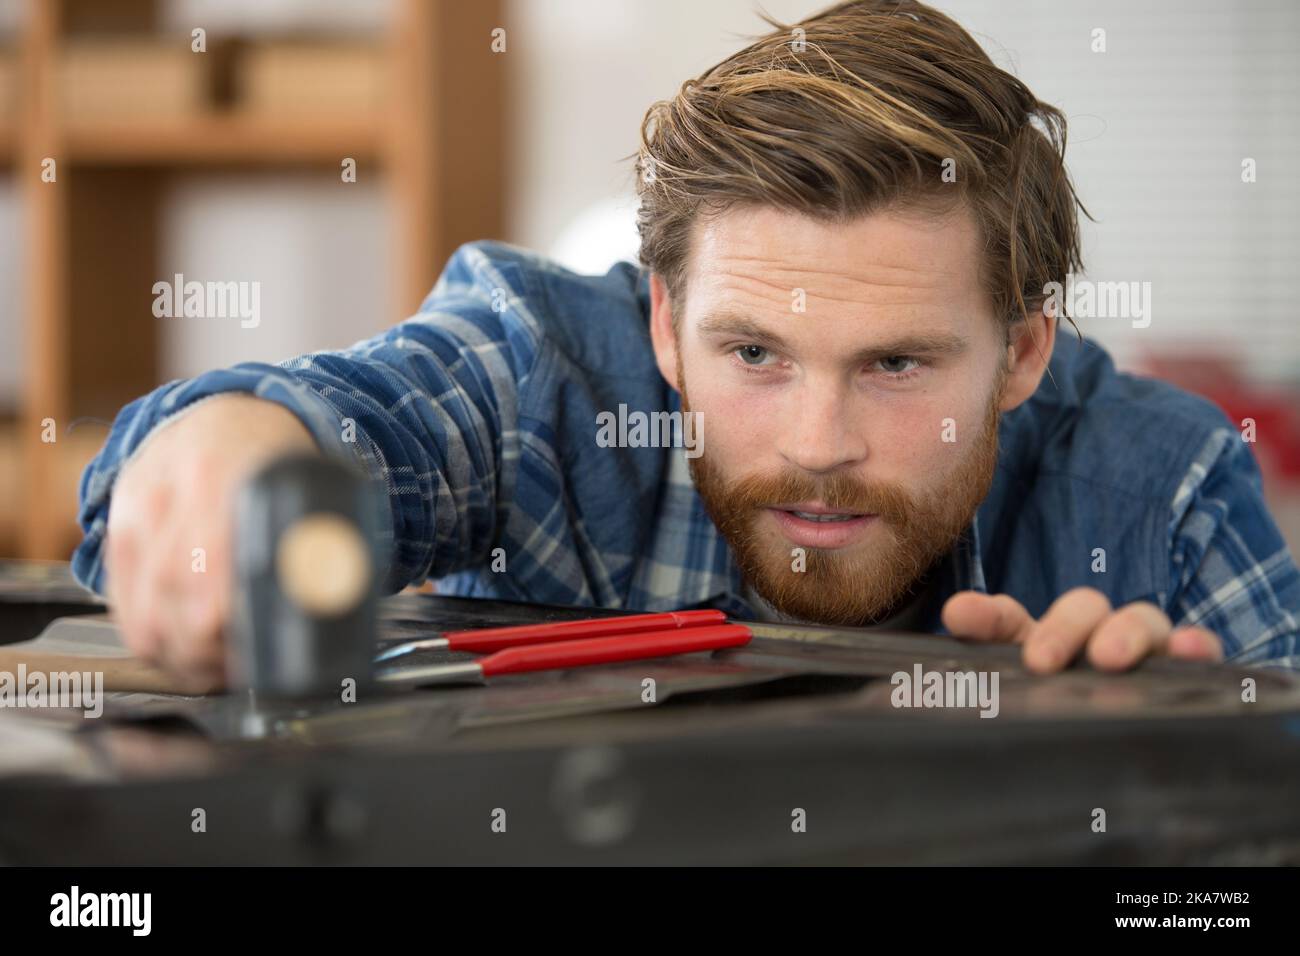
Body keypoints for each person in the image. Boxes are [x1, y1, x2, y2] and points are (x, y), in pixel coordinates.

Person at [73, 0, 1300, 690]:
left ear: (1024, 352)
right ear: (662, 322)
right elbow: (354, 419)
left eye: (896, 364)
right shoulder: (545, 384)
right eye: (752, 354)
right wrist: (235, 445)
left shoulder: (1163, 494)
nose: (817, 447)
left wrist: (1171, 787)